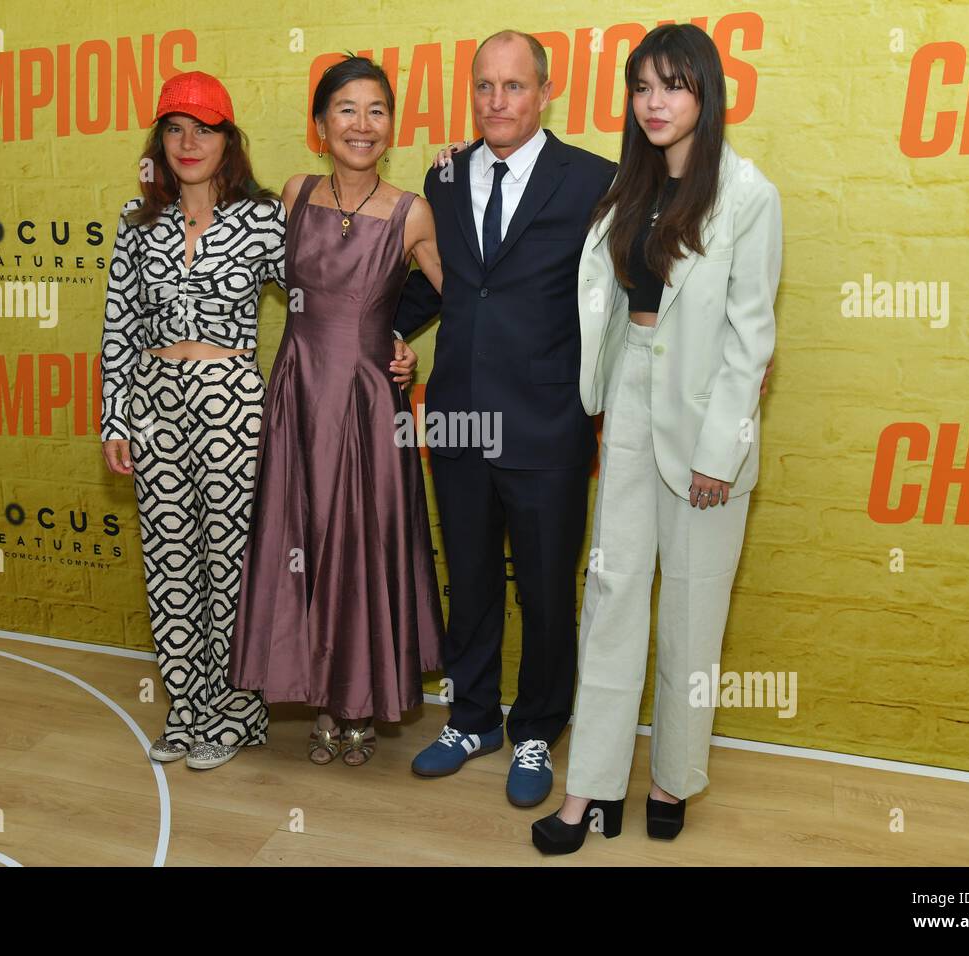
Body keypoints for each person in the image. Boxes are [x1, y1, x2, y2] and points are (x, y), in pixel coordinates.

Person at [531, 23, 782, 854]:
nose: (654, 103)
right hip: (632, 402)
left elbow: (752, 339)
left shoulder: (747, 194)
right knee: (609, 600)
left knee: (692, 613)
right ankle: (590, 789)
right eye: (642, 86)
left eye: (673, 85)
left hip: (708, 417)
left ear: (706, 94)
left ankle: (673, 775)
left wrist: (723, 451)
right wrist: (604, 395)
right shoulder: (624, 191)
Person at [395, 30, 617, 807]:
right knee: (474, 578)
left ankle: (535, 732)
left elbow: (629, 295)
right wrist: (387, 331)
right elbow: (446, 282)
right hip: (455, 414)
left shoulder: (596, 179)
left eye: (514, 87)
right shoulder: (444, 174)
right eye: (485, 86)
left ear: (545, 92)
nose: (498, 101)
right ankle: (472, 716)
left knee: (549, 591)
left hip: (548, 423)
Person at [228, 56, 444, 766]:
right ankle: (320, 695)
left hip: (364, 402)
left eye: (377, 109)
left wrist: (398, 341)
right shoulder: (294, 193)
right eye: (346, 109)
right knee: (304, 537)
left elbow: (460, 294)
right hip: (296, 394)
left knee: (359, 544)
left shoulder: (413, 211)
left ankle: (355, 703)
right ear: (320, 125)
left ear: (393, 125)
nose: (362, 123)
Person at [100, 71, 285, 771]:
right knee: (171, 562)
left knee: (232, 563)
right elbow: (117, 327)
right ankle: (188, 706)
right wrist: (114, 418)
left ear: (227, 141)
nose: (188, 142)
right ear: (160, 141)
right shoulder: (135, 220)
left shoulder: (262, 218)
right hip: (152, 403)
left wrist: (376, 342)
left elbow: (315, 300)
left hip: (231, 400)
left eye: (203, 129)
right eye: (175, 129)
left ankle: (238, 712)